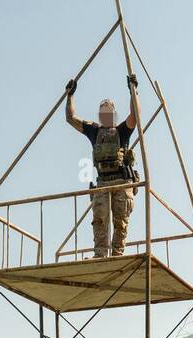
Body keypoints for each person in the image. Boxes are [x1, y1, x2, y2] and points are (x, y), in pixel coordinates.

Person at [65, 74, 140, 258]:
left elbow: (135, 116)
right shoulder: (94, 131)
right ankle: (100, 255)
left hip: (122, 183)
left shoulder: (122, 131)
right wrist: (70, 96)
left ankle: (117, 254)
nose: (106, 114)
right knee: (99, 220)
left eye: (109, 112)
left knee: (120, 221)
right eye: (103, 112)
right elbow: (71, 118)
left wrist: (133, 91)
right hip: (102, 183)